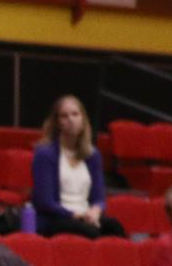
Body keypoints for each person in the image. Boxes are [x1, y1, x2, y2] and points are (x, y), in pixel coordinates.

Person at [30, 94, 125, 238]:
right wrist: (76, 214)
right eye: (64, 116)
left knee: (115, 227)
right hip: (57, 218)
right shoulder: (45, 154)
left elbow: (99, 198)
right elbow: (45, 202)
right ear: (57, 123)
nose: (71, 120)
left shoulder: (93, 155)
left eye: (75, 114)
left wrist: (95, 211)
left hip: (86, 215)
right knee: (90, 232)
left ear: (83, 119)